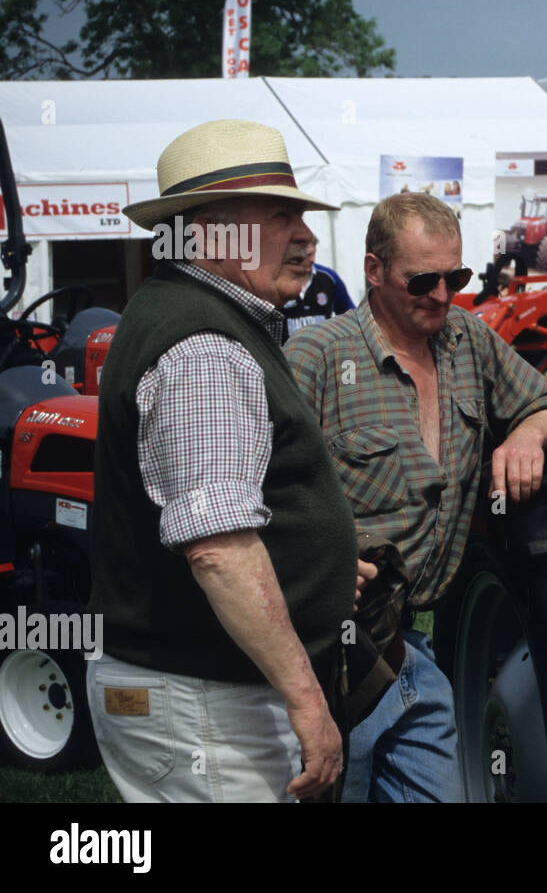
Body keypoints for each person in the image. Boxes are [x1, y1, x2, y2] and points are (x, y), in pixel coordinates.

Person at [88, 119, 375, 802]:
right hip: (206, 702)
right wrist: (309, 703)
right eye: (282, 215)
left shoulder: (194, 312)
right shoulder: (206, 342)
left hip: (198, 694)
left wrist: (325, 568)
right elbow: (218, 548)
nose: (305, 234)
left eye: (302, 214)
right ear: (213, 231)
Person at [284, 193, 547, 802]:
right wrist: (328, 555)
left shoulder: (467, 340)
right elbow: (255, 492)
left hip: (411, 649)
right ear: (373, 270)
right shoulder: (315, 358)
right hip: (328, 656)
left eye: (456, 277)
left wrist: (526, 433)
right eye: (423, 279)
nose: (443, 296)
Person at [281, 236, 356, 336]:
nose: (312, 259)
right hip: (286, 350)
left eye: (314, 253)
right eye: (308, 255)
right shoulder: (280, 279)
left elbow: (350, 316)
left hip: (323, 350)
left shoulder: (329, 277)